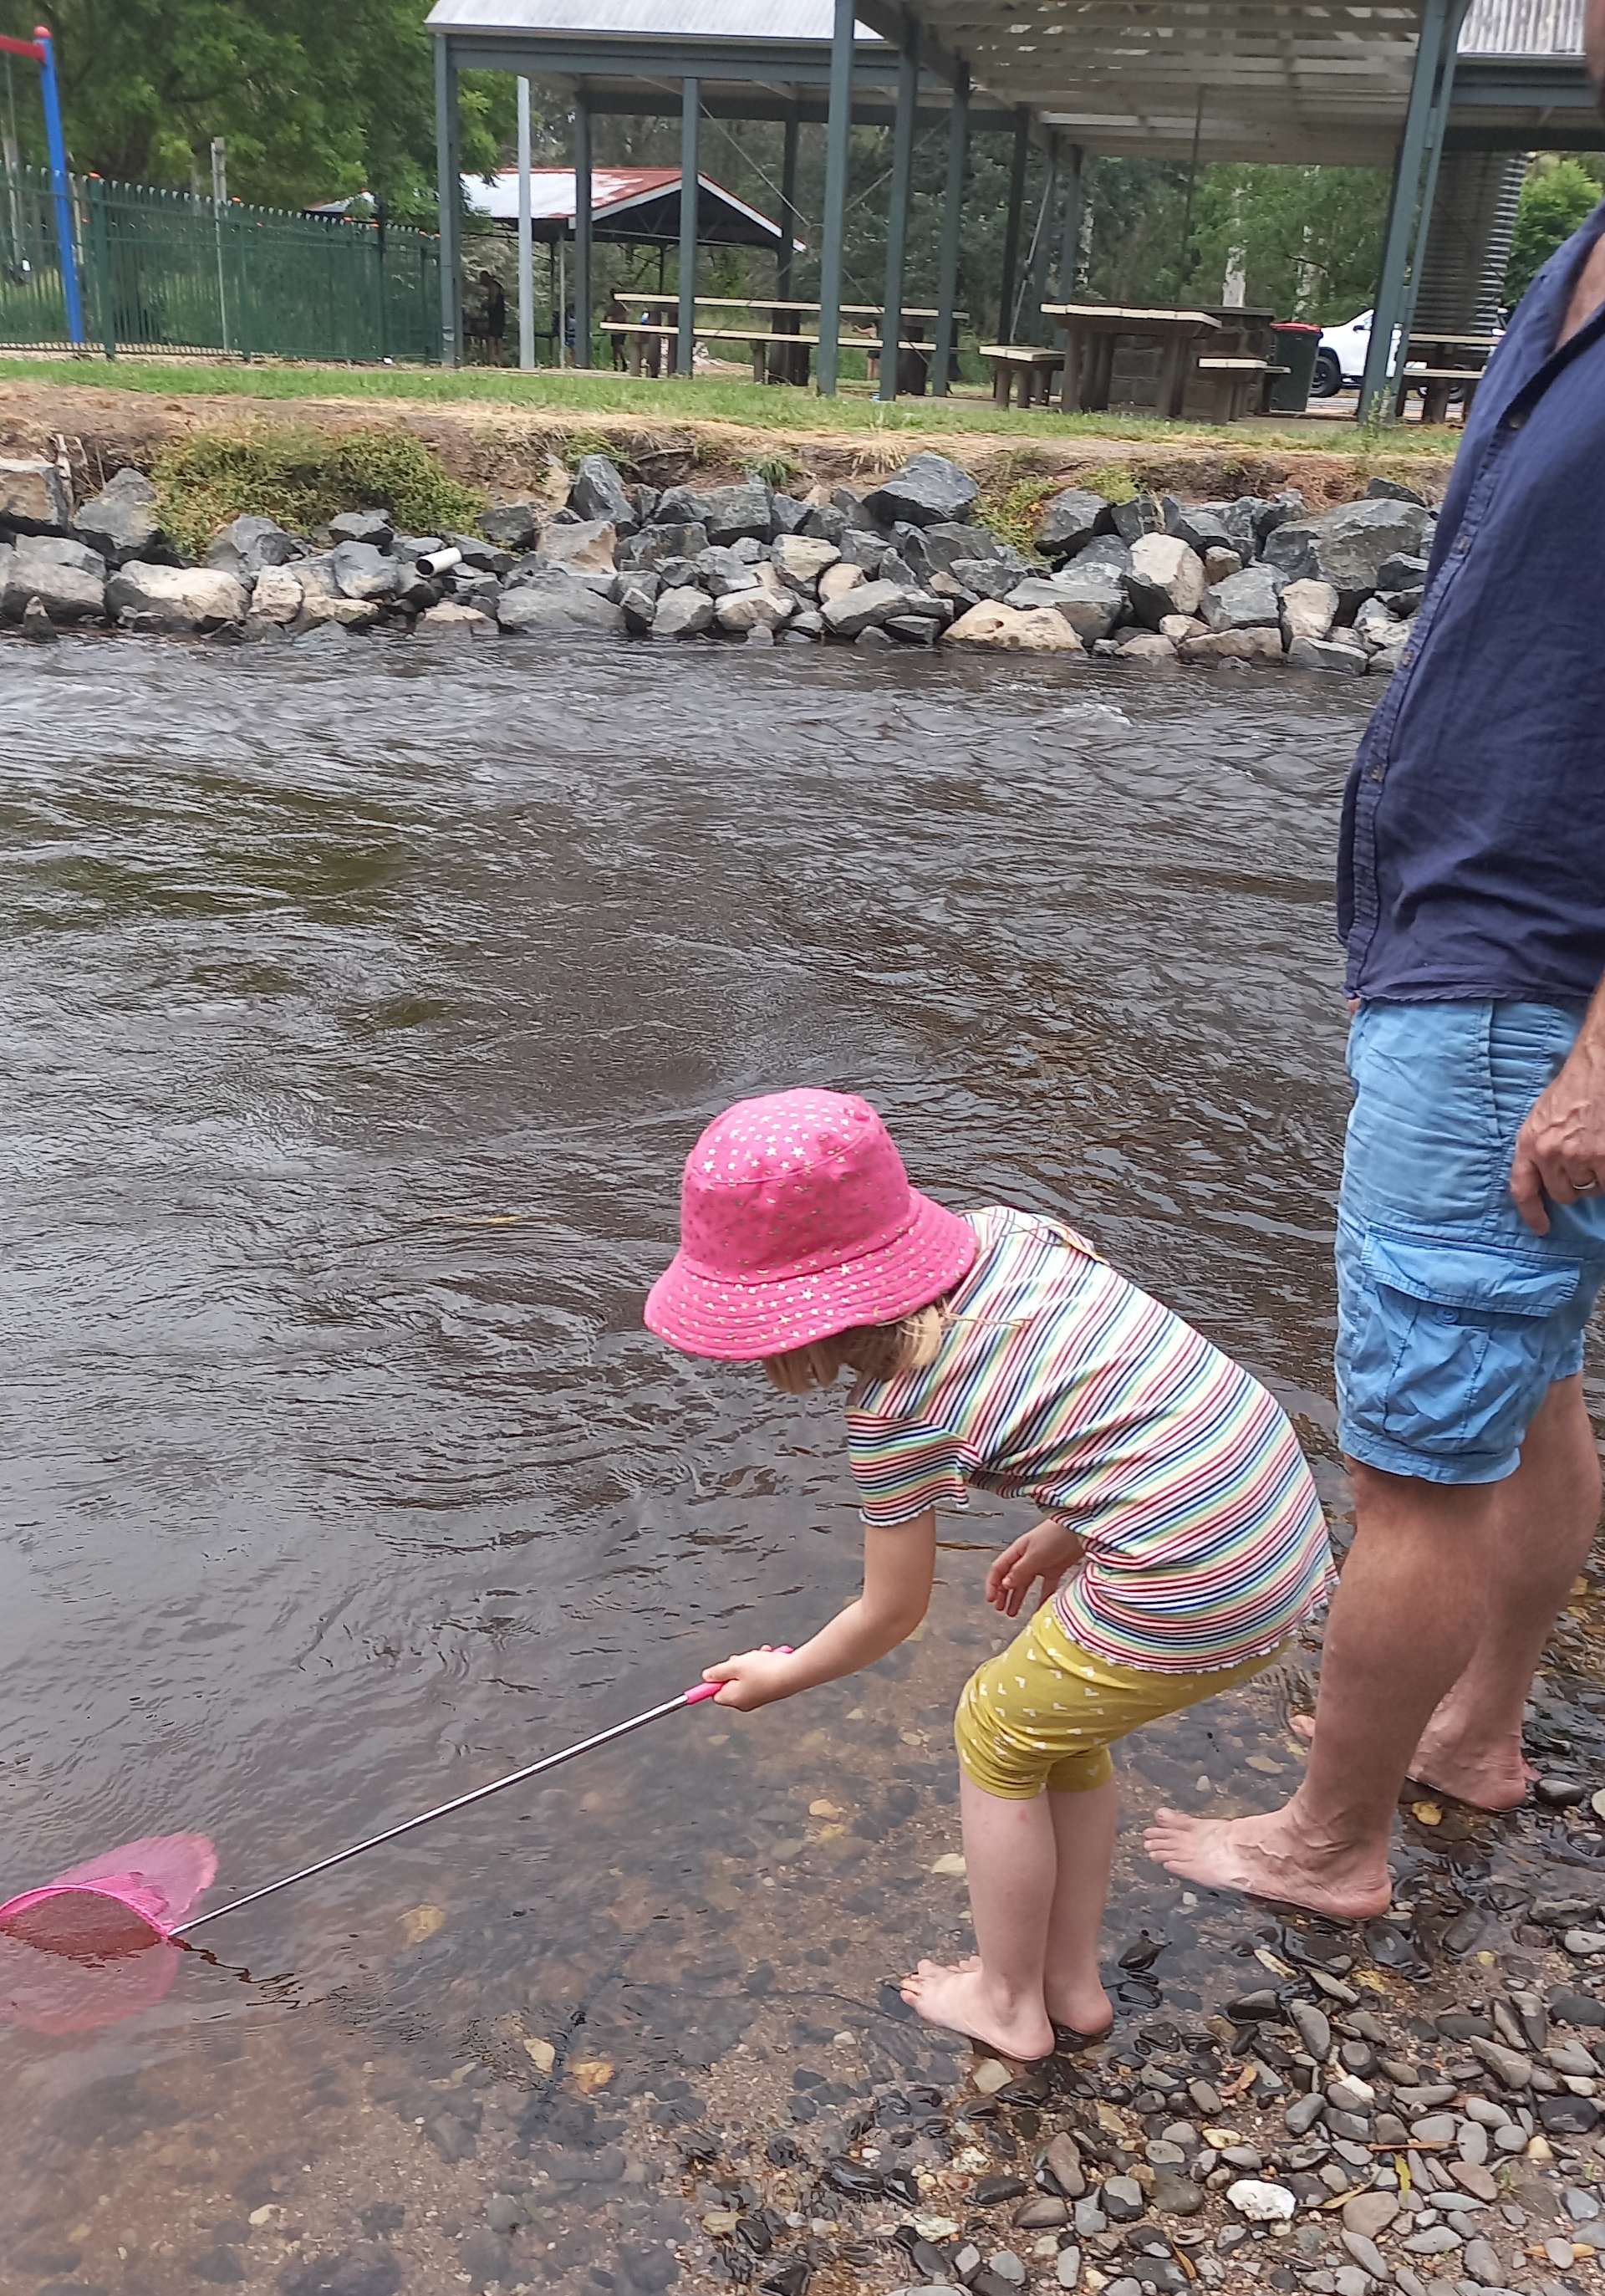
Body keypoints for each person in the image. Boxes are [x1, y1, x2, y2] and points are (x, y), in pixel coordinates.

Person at [1146, 0, 1605, 1924]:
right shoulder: (1580, 250)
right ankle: (1478, 1731)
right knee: (1531, 1380)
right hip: (1471, 921)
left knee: (1413, 1445)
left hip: (1530, 955)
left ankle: (1329, 1840)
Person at [645, 1089, 1334, 2061]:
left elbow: (891, 1614)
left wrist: (782, 1674)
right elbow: (1120, 1386)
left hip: (1189, 1578)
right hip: (1274, 1520)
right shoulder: (1017, 1232)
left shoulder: (896, 1412)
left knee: (994, 1729)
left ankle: (1009, 1999)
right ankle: (1071, 1983)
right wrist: (1070, 1525)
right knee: (1054, 1729)